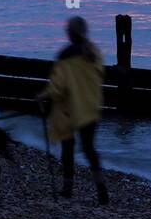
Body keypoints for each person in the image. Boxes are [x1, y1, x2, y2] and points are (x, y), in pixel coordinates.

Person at [40, 15, 109, 204]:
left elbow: (58, 86)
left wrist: (43, 95)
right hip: (90, 107)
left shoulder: (66, 55)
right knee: (89, 149)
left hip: (68, 110)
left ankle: (68, 187)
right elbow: (98, 77)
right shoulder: (94, 53)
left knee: (67, 148)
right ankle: (101, 188)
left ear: (69, 33)